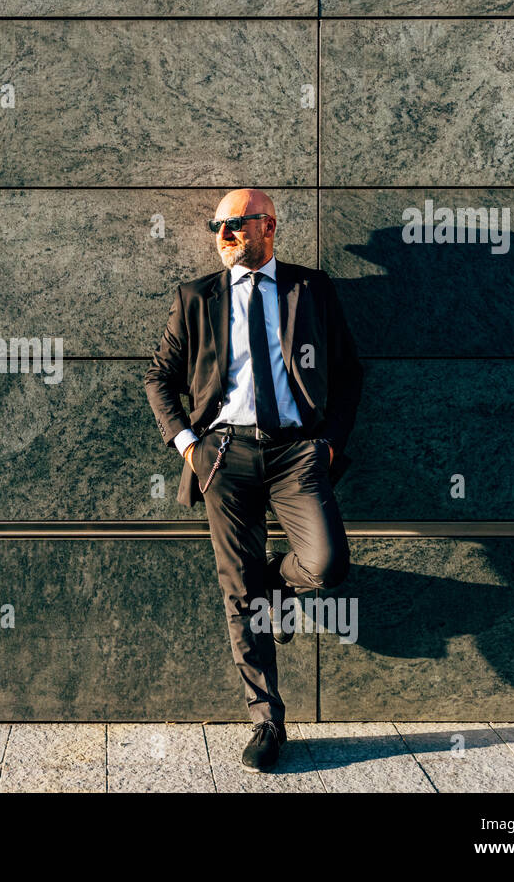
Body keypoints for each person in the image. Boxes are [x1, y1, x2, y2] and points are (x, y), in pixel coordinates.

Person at [143, 188, 363, 772]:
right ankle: (267, 721)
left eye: (236, 225)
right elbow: (158, 377)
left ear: (269, 227)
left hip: (297, 453)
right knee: (238, 591)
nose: (224, 236)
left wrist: (330, 442)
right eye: (217, 227)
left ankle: (278, 586)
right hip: (223, 455)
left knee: (326, 564)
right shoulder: (196, 298)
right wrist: (189, 447)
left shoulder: (310, 288)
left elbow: (347, 373)